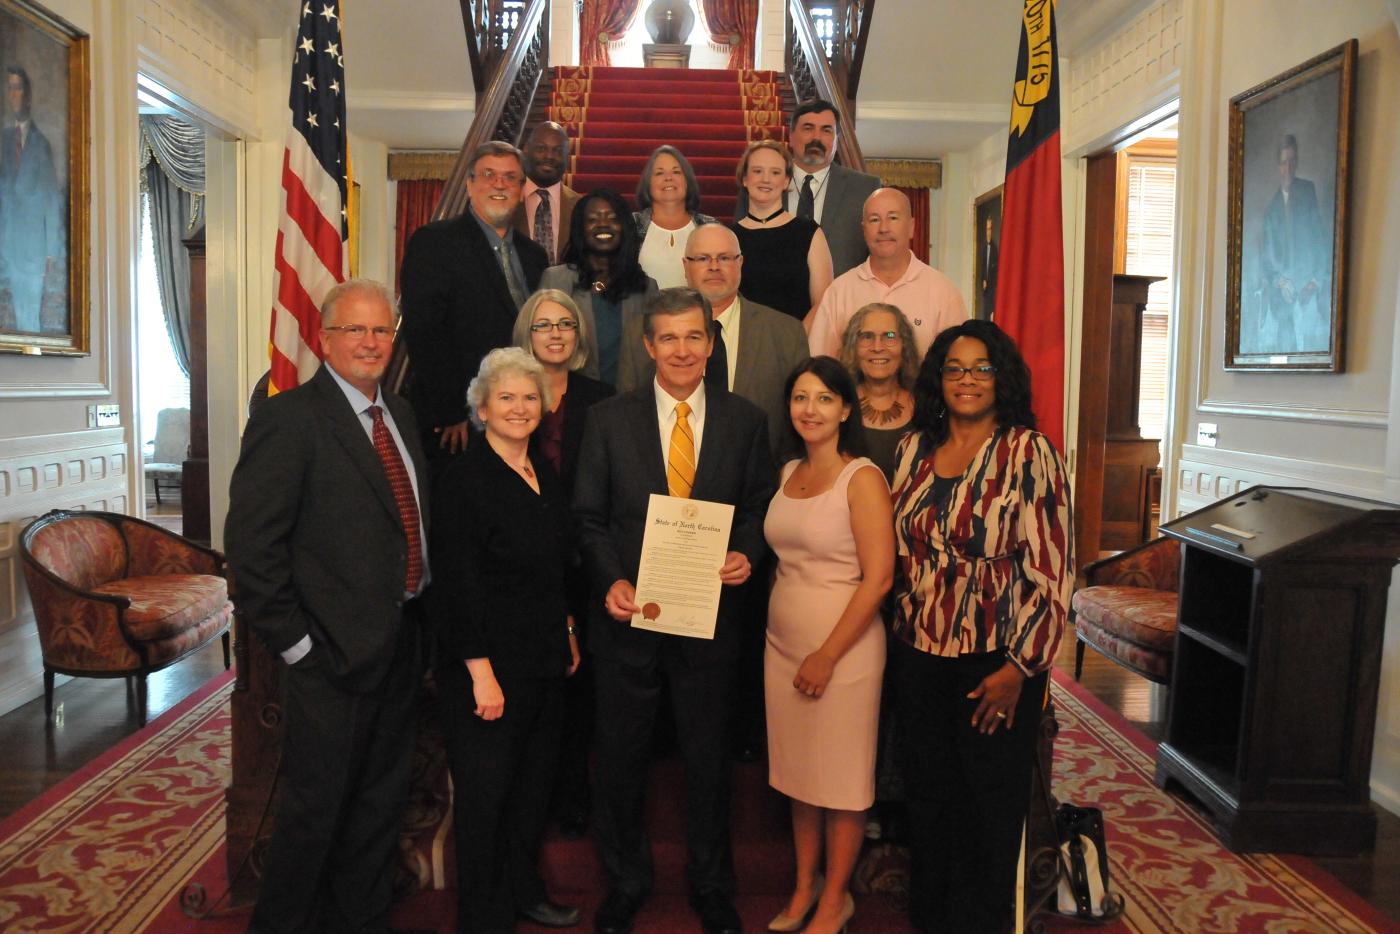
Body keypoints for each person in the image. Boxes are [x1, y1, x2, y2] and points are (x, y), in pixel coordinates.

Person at [225, 279, 429, 933]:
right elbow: (252, 553)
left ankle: (361, 920)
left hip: (400, 643)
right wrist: (299, 647)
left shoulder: (399, 413)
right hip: (328, 659)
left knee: (378, 805)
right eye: (355, 330)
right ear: (324, 338)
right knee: (315, 815)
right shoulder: (289, 420)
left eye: (381, 331)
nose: (370, 342)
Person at [574, 287, 775, 934]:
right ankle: (626, 882)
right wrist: (609, 580)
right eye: (669, 338)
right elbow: (589, 518)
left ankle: (713, 887)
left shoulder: (746, 421)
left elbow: (758, 508)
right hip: (628, 623)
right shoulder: (609, 420)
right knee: (622, 757)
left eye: (695, 337)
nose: (683, 350)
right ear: (648, 345)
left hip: (710, 622)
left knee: (710, 759)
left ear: (711, 344)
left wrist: (747, 553)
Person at [889, 319, 1073, 933]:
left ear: (1002, 378)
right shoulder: (913, 448)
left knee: (987, 809)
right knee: (929, 798)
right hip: (917, 654)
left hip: (994, 662)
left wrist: (1020, 669)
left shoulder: (1029, 452)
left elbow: (1051, 572)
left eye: (981, 368)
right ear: (937, 379)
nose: (967, 380)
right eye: (955, 368)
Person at [430, 347, 582, 933]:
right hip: (486, 671)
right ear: (482, 409)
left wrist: (567, 630)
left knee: (529, 793)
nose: (519, 408)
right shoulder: (463, 481)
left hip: (543, 660)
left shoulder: (543, 472)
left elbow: (556, 568)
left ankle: (523, 892)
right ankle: (484, 917)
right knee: (487, 800)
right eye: (506, 398)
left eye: (528, 397)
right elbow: (457, 585)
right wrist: (480, 671)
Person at [763, 357, 892, 934]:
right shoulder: (788, 469)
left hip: (844, 655)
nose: (809, 409)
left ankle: (836, 896)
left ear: (845, 408)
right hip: (781, 648)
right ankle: (803, 885)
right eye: (799, 398)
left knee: (840, 780)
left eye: (822, 399)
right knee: (799, 777)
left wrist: (826, 655)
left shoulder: (860, 477)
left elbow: (880, 578)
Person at [514, 289, 615, 837]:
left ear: (578, 336)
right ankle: (534, 792)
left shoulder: (602, 397)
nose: (555, 334)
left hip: (586, 561)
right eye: (542, 325)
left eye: (566, 324)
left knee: (583, 685)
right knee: (536, 684)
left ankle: (575, 794)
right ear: (526, 334)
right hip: (525, 565)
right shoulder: (509, 393)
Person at [399, 141, 549, 460]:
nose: (499, 183)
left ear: (522, 189)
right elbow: (425, 332)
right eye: (488, 175)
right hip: (459, 427)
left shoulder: (534, 256)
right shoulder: (434, 243)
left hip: (521, 416)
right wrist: (453, 411)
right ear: (469, 185)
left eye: (510, 177)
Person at [618, 224, 809, 457]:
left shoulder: (786, 333)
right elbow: (625, 419)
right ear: (685, 266)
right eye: (703, 258)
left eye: (725, 258)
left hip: (761, 484)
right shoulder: (641, 331)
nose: (714, 267)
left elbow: (799, 426)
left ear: (740, 263)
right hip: (666, 481)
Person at [809, 187, 967, 359]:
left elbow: (958, 363)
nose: (884, 228)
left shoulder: (943, 291)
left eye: (893, 218)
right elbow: (819, 364)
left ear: (911, 227)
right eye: (875, 220)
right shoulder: (839, 291)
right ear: (864, 230)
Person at [735, 99, 879, 277]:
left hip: (842, 300)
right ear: (791, 136)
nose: (816, 138)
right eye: (808, 128)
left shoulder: (865, 188)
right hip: (769, 301)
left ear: (837, 140)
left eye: (826, 130)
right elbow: (739, 244)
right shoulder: (762, 185)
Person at [538, 188, 658, 387]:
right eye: (593, 219)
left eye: (612, 218)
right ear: (580, 229)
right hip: (571, 401)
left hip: (627, 404)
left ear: (624, 227)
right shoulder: (555, 280)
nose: (603, 225)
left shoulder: (646, 288)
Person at [728, 140, 833, 325]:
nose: (765, 179)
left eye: (775, 172)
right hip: (741, 347)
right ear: (744, 178)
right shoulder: (728, 237)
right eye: (757, 171)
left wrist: (795, 343)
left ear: (786, 181)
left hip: (796, 347)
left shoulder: (809, 233)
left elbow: (822, 304)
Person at [0, 65, 64, 334]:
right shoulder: (3, 140)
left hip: (33, 250)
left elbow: (51, 199)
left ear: (27, 96)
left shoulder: (41, 144)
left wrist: (52, 250)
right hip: (7, 244)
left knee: (29, 322)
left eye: (18, 88)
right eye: (10, 88)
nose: (13, 94)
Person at [1259, 132, 1329, 353]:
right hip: (1284, 291)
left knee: (1316, 338)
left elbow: (1320, 242)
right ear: (1278, 167)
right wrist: (1280, 281)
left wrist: (1315, 281)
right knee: (1284, 342)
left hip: (1310, 283)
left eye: (1291, 161)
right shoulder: (1271, 209)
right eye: (1283, 163)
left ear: (1296, 163)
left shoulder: (1307, 192)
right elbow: (1267, 261)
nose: (1287, 168)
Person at [837, 303, 920, 483]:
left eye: (889, 336)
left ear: (904, 345)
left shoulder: (927, 406)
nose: (877, 347)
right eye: (867, 336)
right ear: (853, 346)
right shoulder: (837, 405)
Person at [633, 145, 715, 289]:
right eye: (659, 173)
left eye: (676, 172)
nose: (669, 178)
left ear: (687, 181)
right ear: (648, 183)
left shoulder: (710, 227)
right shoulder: (631, 225)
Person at [513, 121, 580, 266]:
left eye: (558, 151)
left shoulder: (580, 206)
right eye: (541, 148)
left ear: (567, 157)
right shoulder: (506, 200)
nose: (549, 156)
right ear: (525, 150)